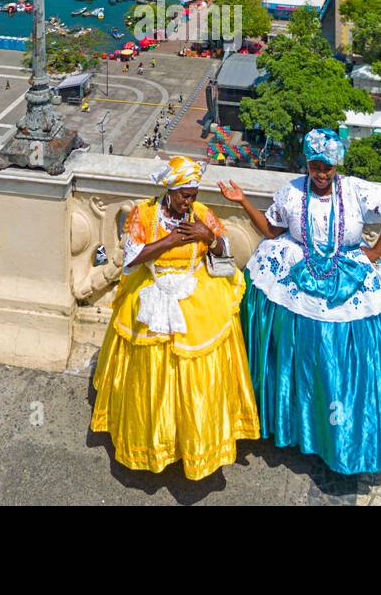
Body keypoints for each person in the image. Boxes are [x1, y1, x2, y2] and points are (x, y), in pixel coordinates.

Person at [219, 129, 381, 475]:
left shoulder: (356, 190)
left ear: (336, 165)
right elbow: (271, 230)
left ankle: (342, 434)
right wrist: (243, 201)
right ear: (306, 165)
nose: (322, 175)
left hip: (350, 278)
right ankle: (302, 427)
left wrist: (375, 252)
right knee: (301, 360)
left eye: (327, 168)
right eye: (315, 167)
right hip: (298, 281)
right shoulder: (292, 193)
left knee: (342, 361)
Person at [91, 156, 259, 479]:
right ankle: (157, 440)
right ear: (170, 190)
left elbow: (225, 248)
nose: (189, 202)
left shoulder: (201, 215)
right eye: (185, 195)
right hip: (153, 291)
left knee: (193, 372)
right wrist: (168, 241)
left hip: (195, 295)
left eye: (194, 195)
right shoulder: (145, 214)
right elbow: (131, 259)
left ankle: (192, 440)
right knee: (153, 372)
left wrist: (206, 237)